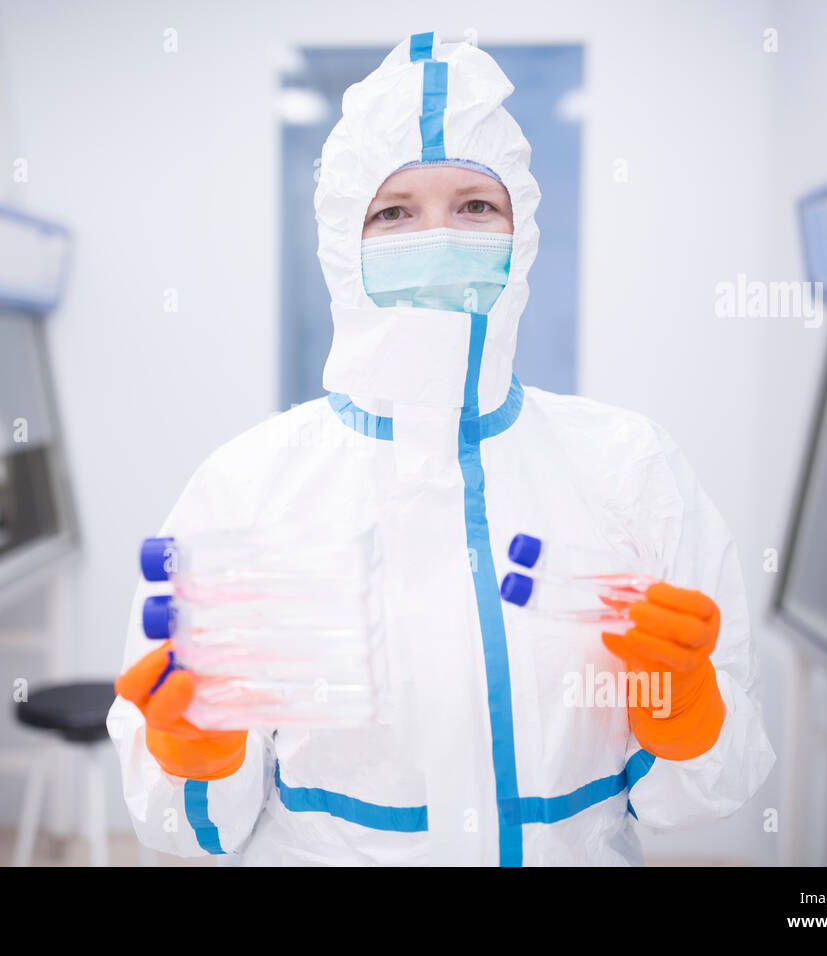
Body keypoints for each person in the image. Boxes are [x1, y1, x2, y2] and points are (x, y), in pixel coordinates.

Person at [106, 31, 774, 866]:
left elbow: (701, 795)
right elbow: (195, 830)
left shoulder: (629, 470)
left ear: (520, 233)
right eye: (393, 213)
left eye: (474, 207)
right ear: (342, 244)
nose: (440, 236)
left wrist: (689, 718)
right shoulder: (246, 488)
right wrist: (196, 757)